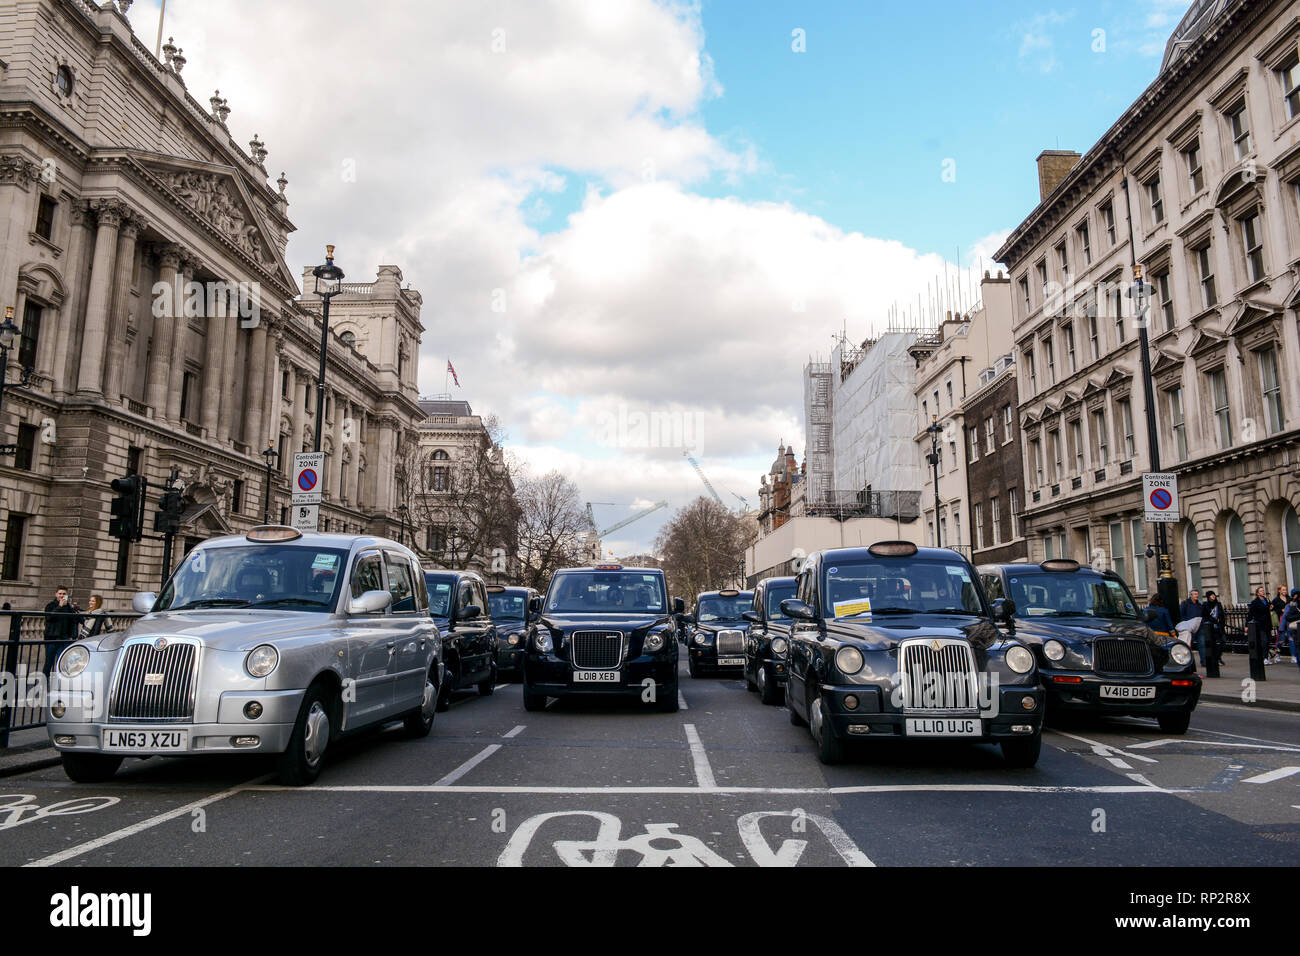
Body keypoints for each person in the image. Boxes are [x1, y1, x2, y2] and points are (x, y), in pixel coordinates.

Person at [42, 585, 81, 678]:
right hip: (52, 639)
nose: (62, 596)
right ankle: (43, 684)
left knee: (62, 664)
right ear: (56, 594)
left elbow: (74, 621)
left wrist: (73, 635)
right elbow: (49, 617)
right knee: (48, 663)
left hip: (64, 639)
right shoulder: (50, 605)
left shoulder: (69, 607)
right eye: (60, 594)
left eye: (64, 594)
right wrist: (59, 606)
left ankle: (59, 685)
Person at [1248, 586, 1276, 663]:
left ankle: (1266, 656)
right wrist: (1246, 625)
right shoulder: (1255, 602)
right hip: (1260, 624)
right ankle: (1265, 658)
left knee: (1268, 641)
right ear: (1257, 593)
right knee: (1264, 641)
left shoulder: (1266, 600)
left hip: (1268, 624)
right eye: (1261, 591)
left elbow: (1270, 608)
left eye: (1263, 591)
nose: (1263, 592)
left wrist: (1272, 607)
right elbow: (1250, 614)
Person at [1178, 588, 1204, 668]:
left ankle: (1204, 661)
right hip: (1189, 628)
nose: (1197, 595)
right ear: (1191, 595)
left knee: (1202, 644)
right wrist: (1186, 623)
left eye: (1197, 594)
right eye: (1195, 594)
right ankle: (1186, 661)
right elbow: (1181, 614)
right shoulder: (1185, 603)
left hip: (1199, 627)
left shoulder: (1199, 605)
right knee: (1188, 645)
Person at [1201, 591, 1224, 671]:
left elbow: (1222, 615)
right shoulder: (1205, 605)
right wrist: (1213, 620)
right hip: (1210, 627)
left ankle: (1218, 657)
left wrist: (1221, 623)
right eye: (1211, 595)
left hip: (1218, 627)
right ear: (1208, 597)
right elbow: (1205, 615)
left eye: (1213, 595)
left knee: (1222, 642)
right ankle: (1215, 659)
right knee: (1213, 643)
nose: (1213, 596)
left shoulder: (1218, 604)